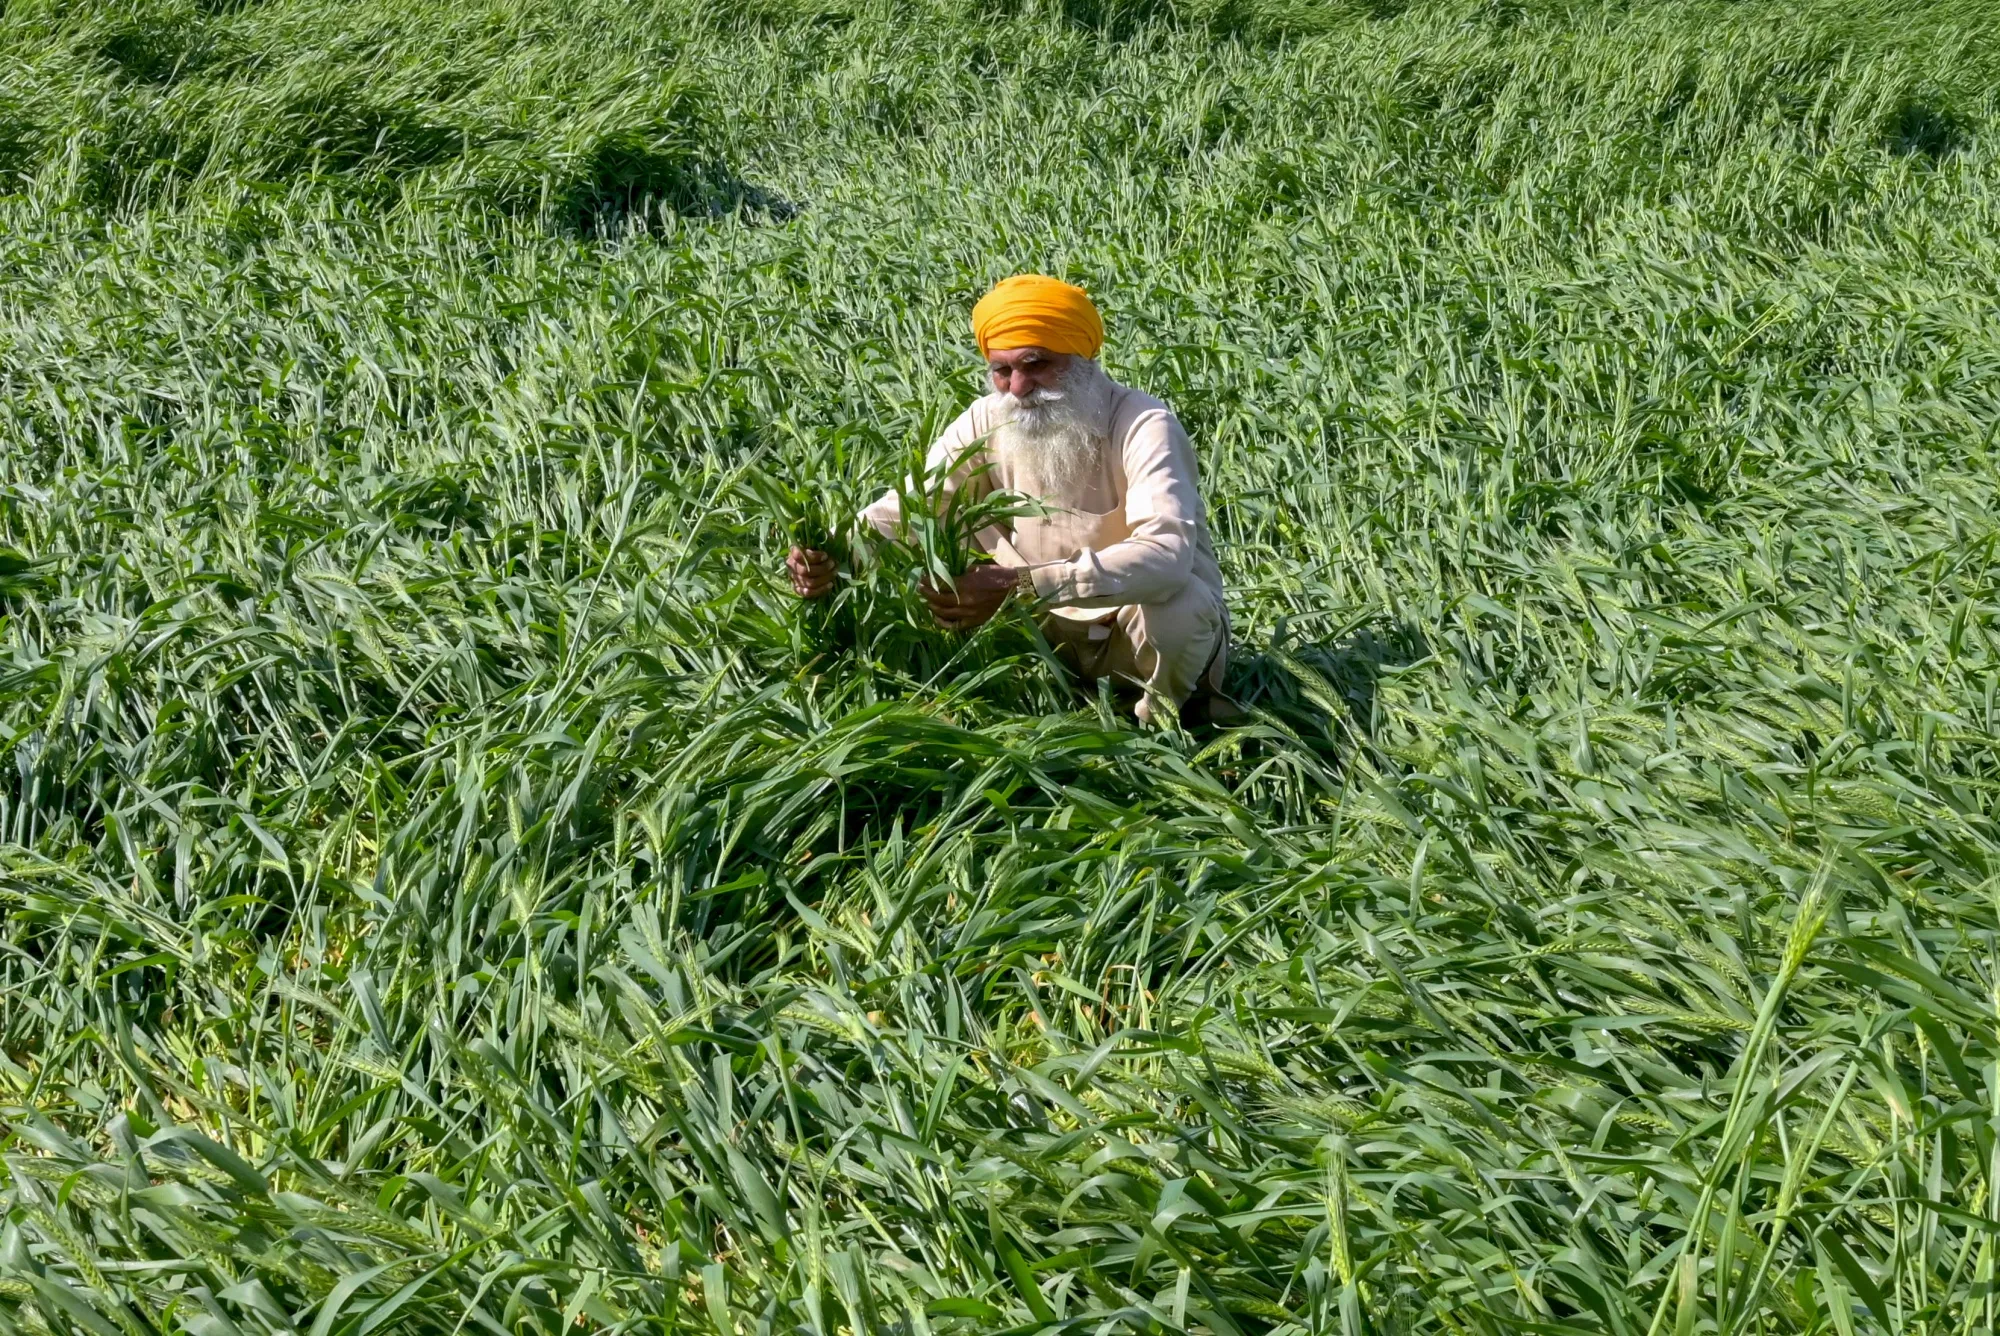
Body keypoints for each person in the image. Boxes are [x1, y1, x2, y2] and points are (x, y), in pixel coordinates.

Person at [787, 274, 1230, 724]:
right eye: (1002, 370)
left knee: (1181, 607)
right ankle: (1033, 707)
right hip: (1037, 639)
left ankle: (1164, 728)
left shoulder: (1143, 424)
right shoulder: (987, 419)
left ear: (1084, 359)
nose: (1018, 388)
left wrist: (1019, 586)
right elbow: (912, 508)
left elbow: (1168, 556)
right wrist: (833, 551)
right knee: (941, 537)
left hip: (1126, 639)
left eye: (1036, 364)